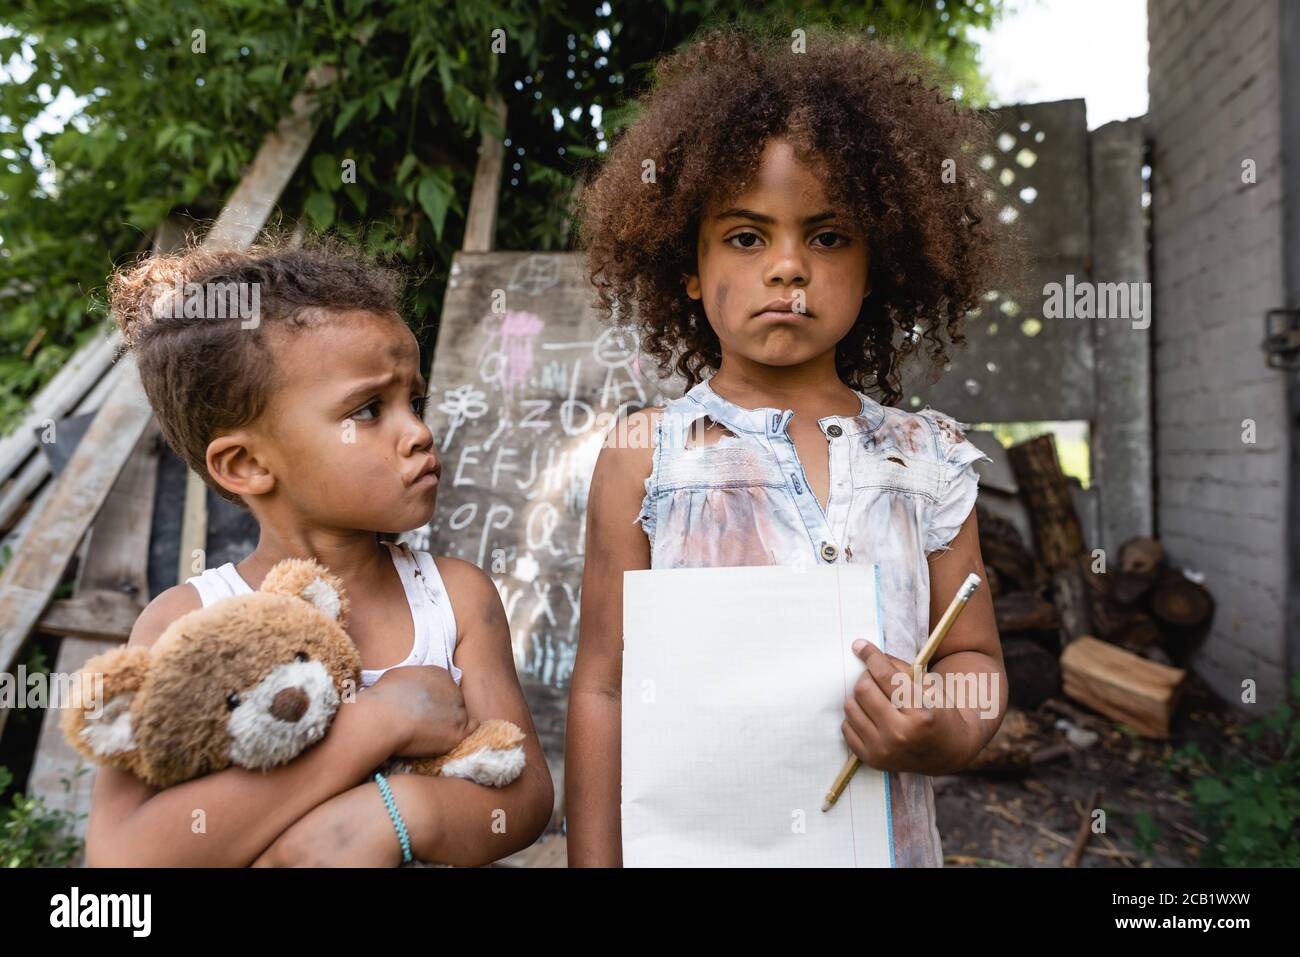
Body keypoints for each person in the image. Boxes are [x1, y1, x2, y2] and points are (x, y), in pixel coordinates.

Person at [567, 25, 1016, 867]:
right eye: (746, 236)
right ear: (688, 267)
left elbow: (973, 654)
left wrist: (945, 729)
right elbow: (601, 683)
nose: (788, 267)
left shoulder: (928, 459)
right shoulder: (645, 455)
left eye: (828, 235)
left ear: (879, 262)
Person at [83, 238, 553, 866]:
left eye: (414, 401)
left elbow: (521, 802)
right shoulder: (186, 623)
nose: (418, 433)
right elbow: (124, 859)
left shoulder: (456, 599)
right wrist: (380, 722)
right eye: (368, 409)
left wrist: (386, 816)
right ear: (247, 464)